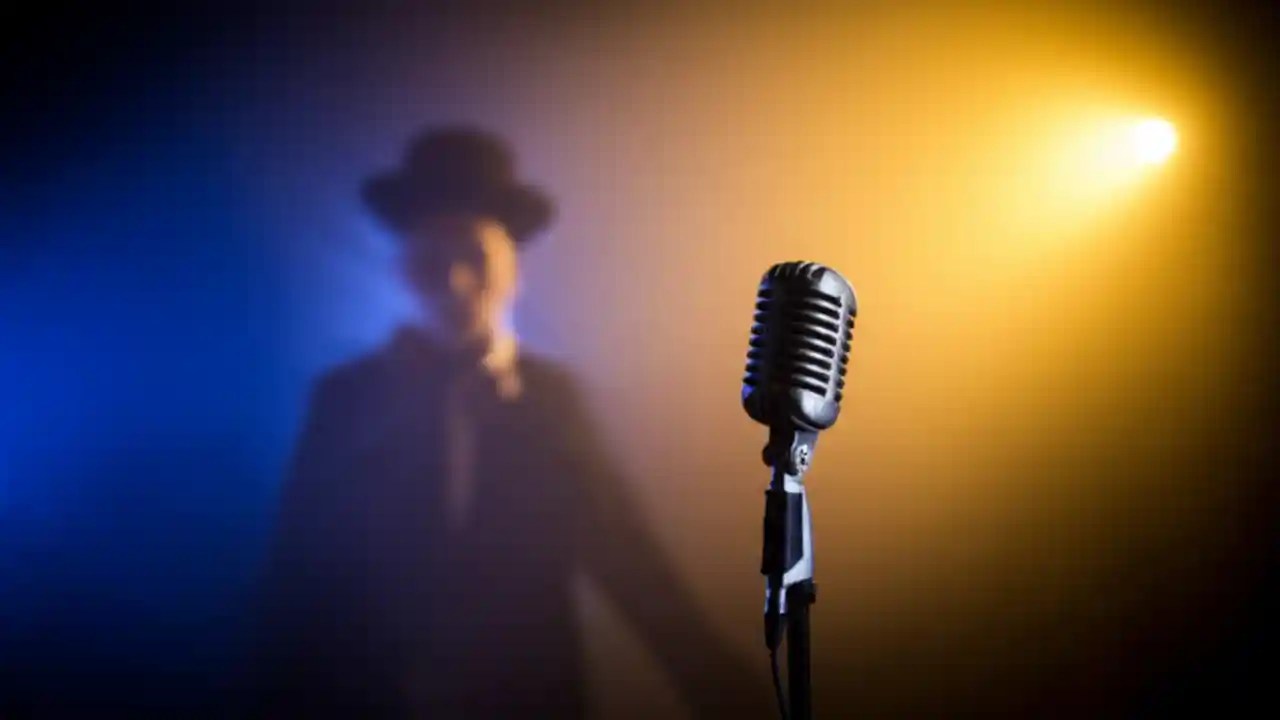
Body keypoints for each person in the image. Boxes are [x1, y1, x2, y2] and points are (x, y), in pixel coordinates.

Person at [249, 126, 769, 718]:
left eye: (473, 254)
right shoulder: (346, 399)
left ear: (513, 269)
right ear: (401, 271)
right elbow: (298, 570)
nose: (454, 282)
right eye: (430, 260)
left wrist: (720, 684)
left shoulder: (553, 400)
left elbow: (626, 552)